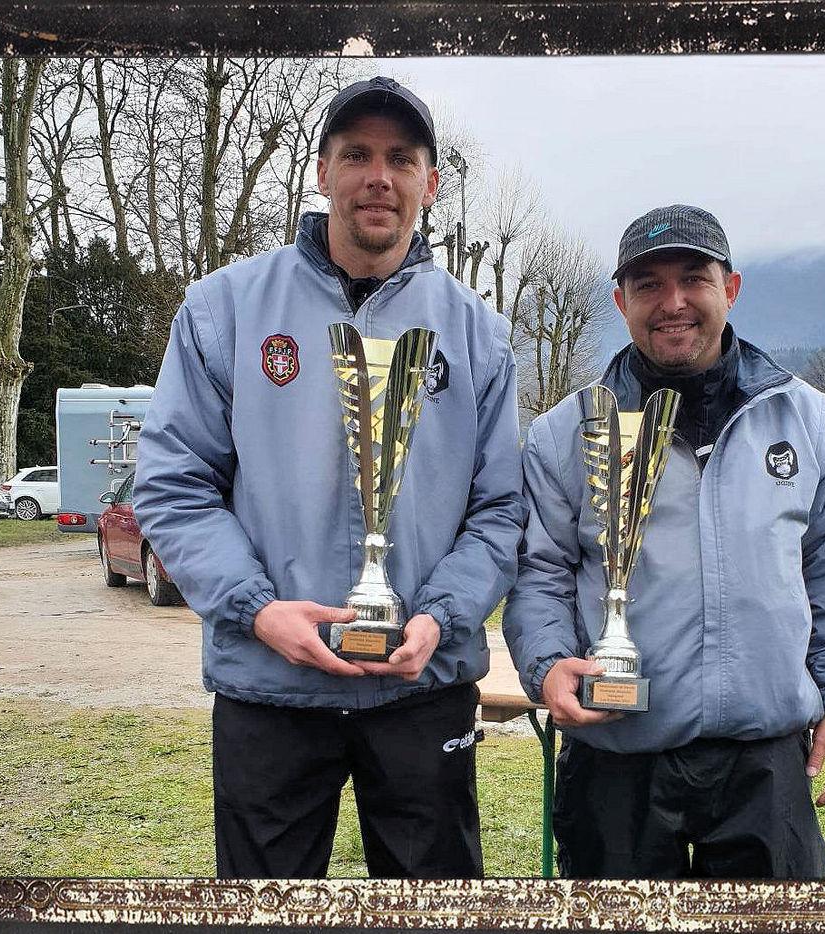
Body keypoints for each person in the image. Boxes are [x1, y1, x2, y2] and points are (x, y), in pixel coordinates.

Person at [133, 76, 524, 880]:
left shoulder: (478, 335)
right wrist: (257, 610)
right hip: (270, 685)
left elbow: (500, 510)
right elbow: (174, 487)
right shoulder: (224, 309)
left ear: (430, 183)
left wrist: (441, 617)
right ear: (321, 172)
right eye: (356, 155)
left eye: (401, 158)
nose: (379, 177)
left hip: (423, 689)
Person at [502, 204, 825, 879]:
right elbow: (541, 573)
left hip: (764, 759)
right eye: (648, 285)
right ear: (621, 302)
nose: (672, 303)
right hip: (616, 756)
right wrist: (549, 662)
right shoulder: (564, 434)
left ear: (730, 288)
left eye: (693, 279)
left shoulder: (807, 419)